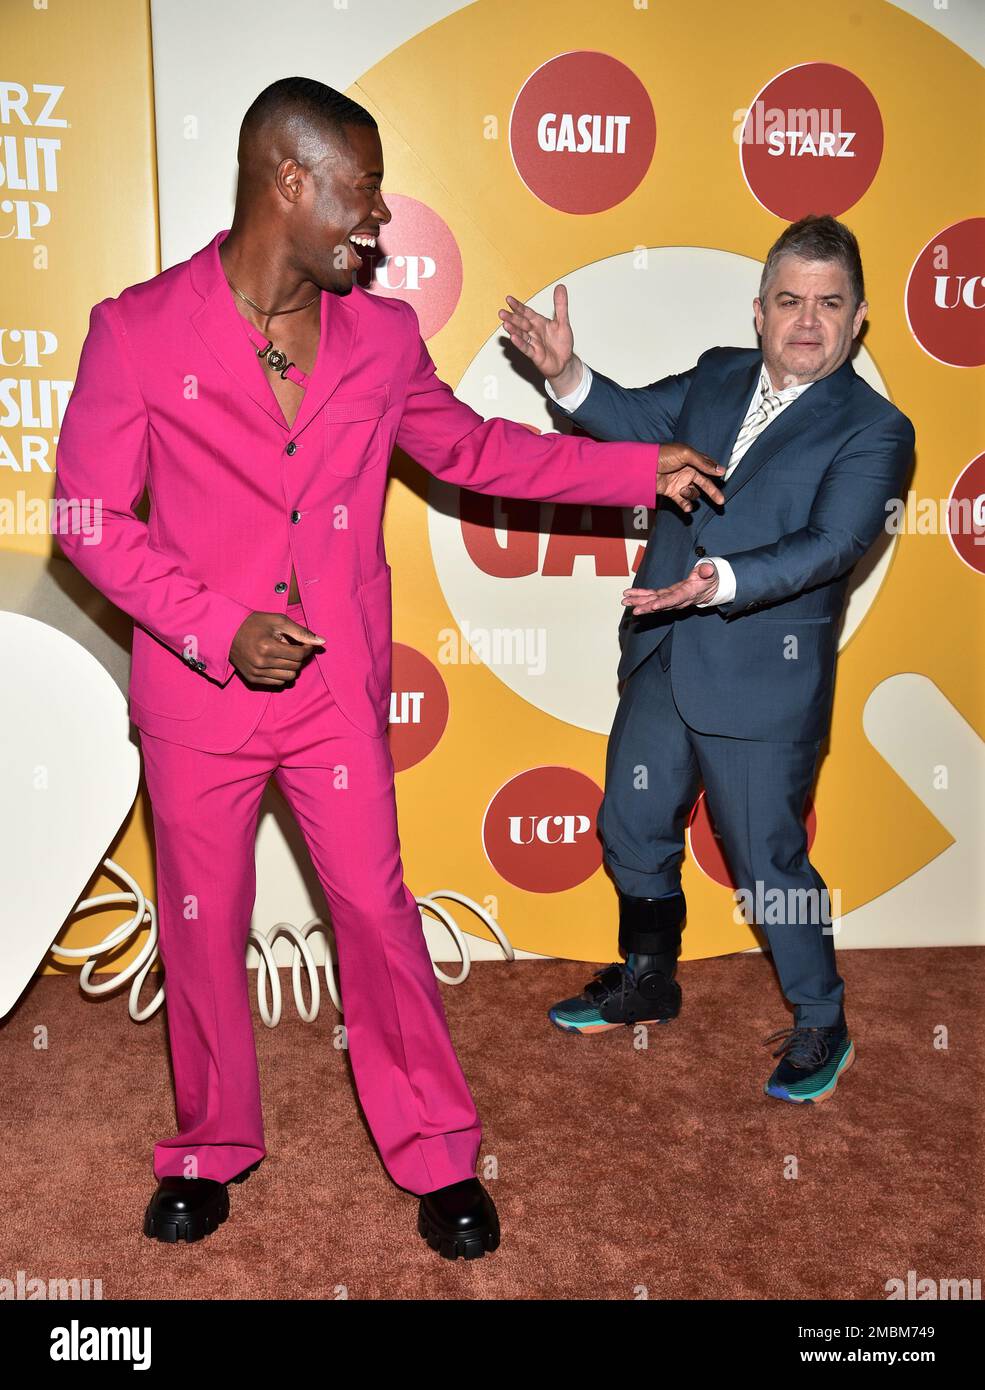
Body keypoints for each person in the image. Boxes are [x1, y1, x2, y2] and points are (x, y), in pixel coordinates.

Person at [52, 76, 723, 1259]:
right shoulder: (140, 330)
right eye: (361, 192)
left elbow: (469, 449)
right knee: (205, 928)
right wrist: (214, 625)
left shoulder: (380, 338)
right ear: (289, 182)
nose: (379, 218)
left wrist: (631, 467)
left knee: (373, 912)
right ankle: (209, 1146)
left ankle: (436, 1153)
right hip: (198, 694)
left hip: (330, 696)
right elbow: (90, 517)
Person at [500, 213, 915, 1104]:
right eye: (789, 301)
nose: (807, 321)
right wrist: (566, 373)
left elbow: (831, 543)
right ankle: (649, 977)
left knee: (769, 864)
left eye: (828, 304)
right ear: (758, 310)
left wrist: (716, 578)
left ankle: (820, 1020)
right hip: (664, 653)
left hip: (762, 679)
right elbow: (629, 421)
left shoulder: (875, 428)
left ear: (859, 318)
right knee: (631, 825)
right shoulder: (719, 373)